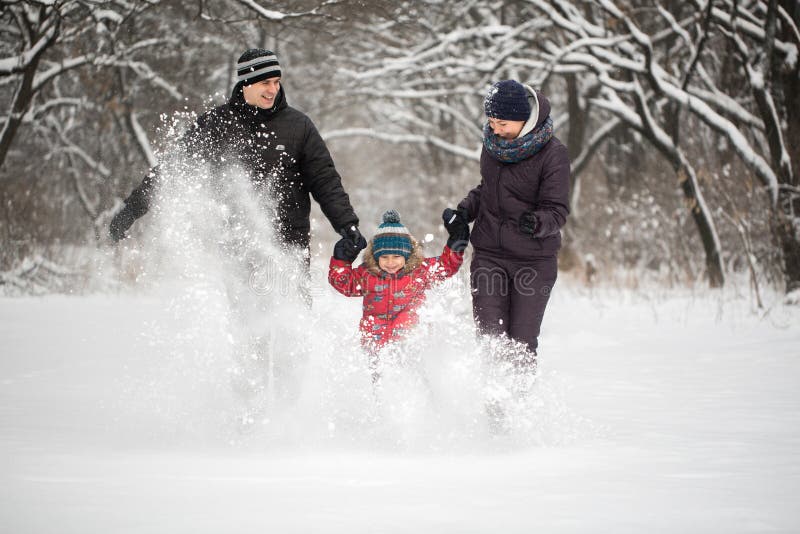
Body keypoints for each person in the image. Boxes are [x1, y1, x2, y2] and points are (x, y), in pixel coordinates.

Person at [109, 48, 366, 257]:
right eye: (265, 82)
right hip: (236, 244)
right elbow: (173, 172)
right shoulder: (216, 124)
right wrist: (130, 211)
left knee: (289, 316)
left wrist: (347, 225)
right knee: (245, 318)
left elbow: (324, 179)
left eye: (276, 82)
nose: (272, 89)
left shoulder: (299, 126)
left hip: (289, 245)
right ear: (246, 83)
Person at [444, 80, 570, 365]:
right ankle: (492, 406)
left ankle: (518, 407)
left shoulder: (553, 154)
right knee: (490, 340)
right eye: (491, 122)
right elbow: (488, 189)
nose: (496, 130)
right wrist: (464, 212)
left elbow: (557, 210)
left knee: (521, 345)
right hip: (489, 256)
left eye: (502, 123)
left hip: (533, 261)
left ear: (524, 120)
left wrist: (537, 222)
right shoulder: (492, 147)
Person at [328, 209, 468, 381]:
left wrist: (457, 240)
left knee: (411, 379)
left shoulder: (420, 271)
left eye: (396, 256)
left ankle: (422, 398)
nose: (390, 262)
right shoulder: (368, 274)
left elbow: (447, 266)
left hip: (410, 342)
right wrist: (341, 260)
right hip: (374, 345)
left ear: (407, 255)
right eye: (384, 257)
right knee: (378, 385)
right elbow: (343, 282)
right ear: (376, 257)